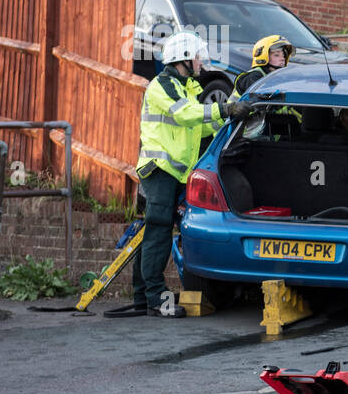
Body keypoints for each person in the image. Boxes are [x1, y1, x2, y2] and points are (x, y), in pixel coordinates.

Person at [106, 31, 250, 318]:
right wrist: (225, 108)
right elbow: (187, 115)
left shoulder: (187, 89)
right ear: (182, 58)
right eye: (196, 56)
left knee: (154, 231)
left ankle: (142, 297)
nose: (200, 62)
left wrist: (229, 118)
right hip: (159, 170)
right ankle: (157, 299)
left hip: (172, 173)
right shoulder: (163, 85)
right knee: (159, 229)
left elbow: (199, 126)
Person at [231, 35, 293, 99]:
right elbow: (262, 102)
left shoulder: (278, 77)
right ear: (263, 56)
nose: (282, 59)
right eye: (276, 55)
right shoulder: (254, 77)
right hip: (235, 108)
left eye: (284, 56)